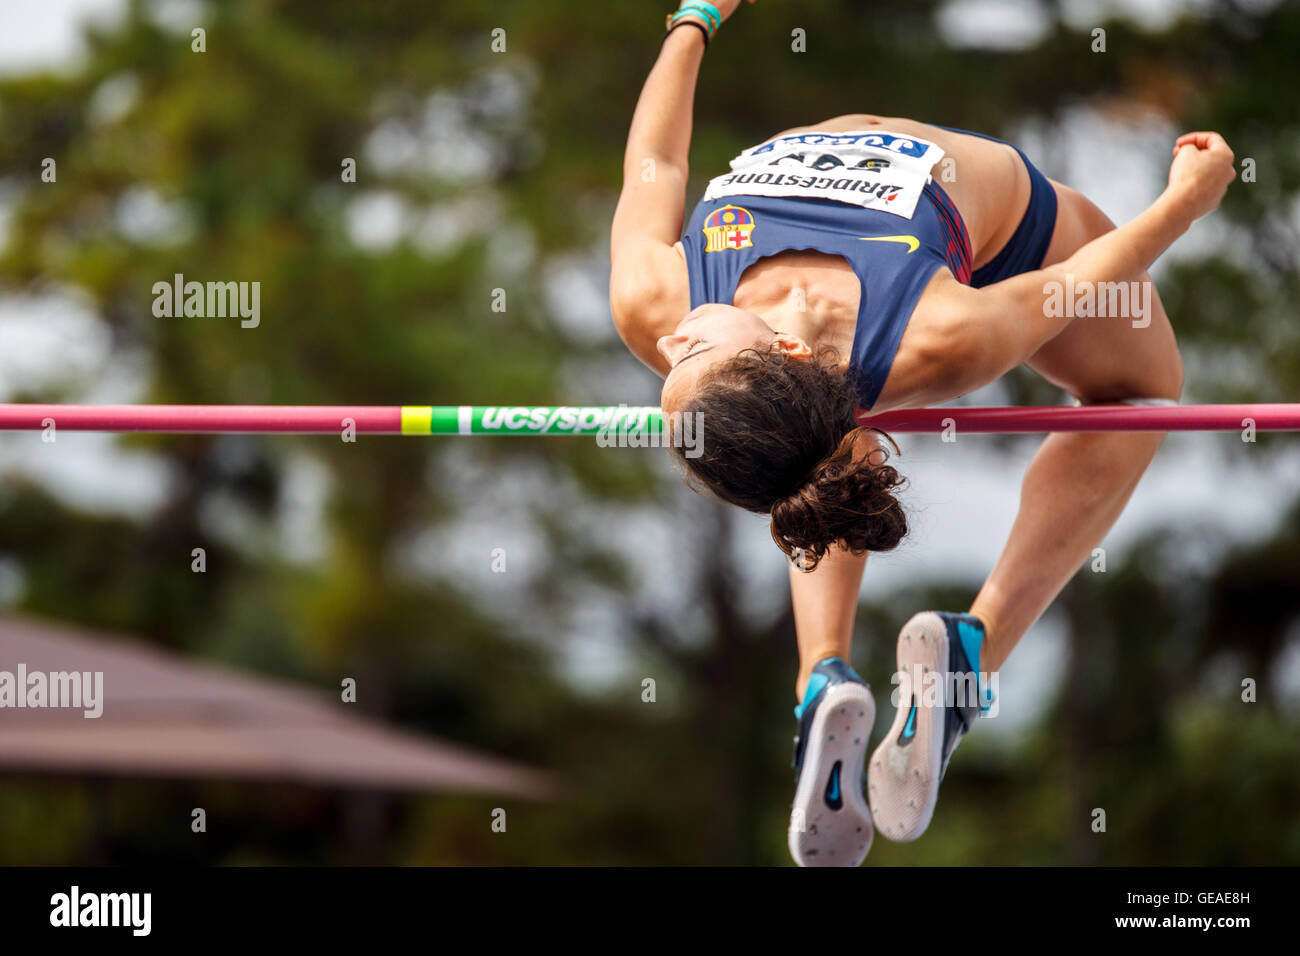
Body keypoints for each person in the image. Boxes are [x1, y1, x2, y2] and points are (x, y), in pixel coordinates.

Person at [608, 0, 1236, 866]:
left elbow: (656, 159)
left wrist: (695, 18)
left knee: (827, 424)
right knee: (1143, 394)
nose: (671, 343)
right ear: (783, 349)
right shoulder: (945, 335)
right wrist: (1187, 203)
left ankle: (820, 678)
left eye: (670, 360)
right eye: (693, 355)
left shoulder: (656, 303)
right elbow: (1088, 275)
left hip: (882, 315)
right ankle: (970, 654)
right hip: (1013, 232)